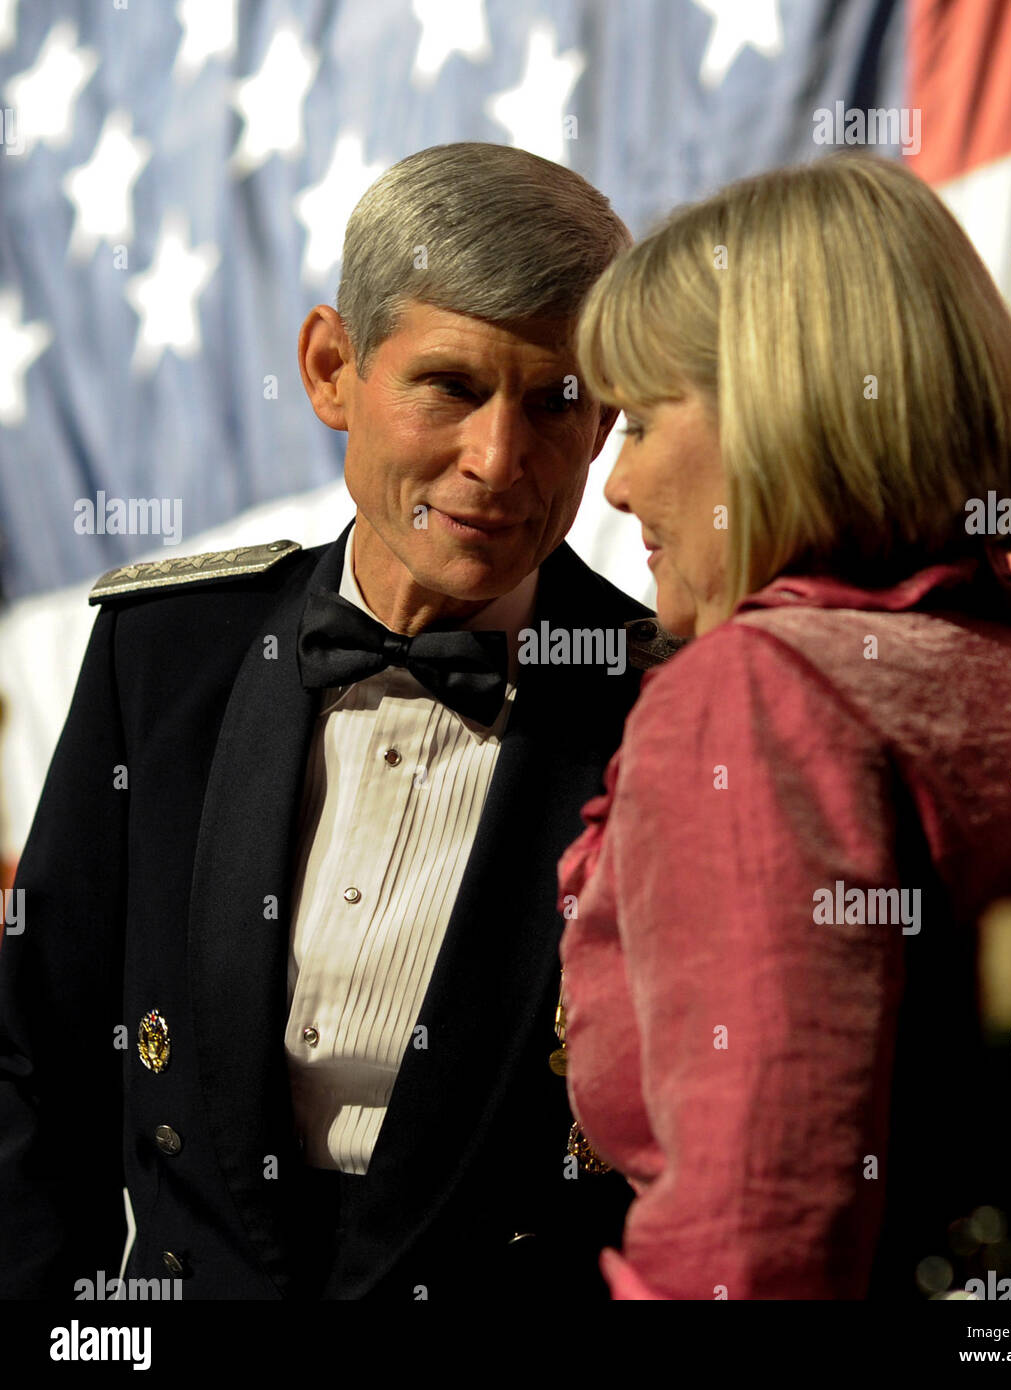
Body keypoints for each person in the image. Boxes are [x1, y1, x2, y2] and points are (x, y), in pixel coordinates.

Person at [0, 142, 678, 1301]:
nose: (498, 459)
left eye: (557, 400)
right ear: (329, 368)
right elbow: (36, 1066)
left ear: (608, 417)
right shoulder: (162, 653)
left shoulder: (668, 705)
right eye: (452, 387)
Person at [556, 153, 1011, 1300]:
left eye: (634, 421)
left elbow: (752, 1241)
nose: (614, 489)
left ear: (774, 404)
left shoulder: (754, 695)